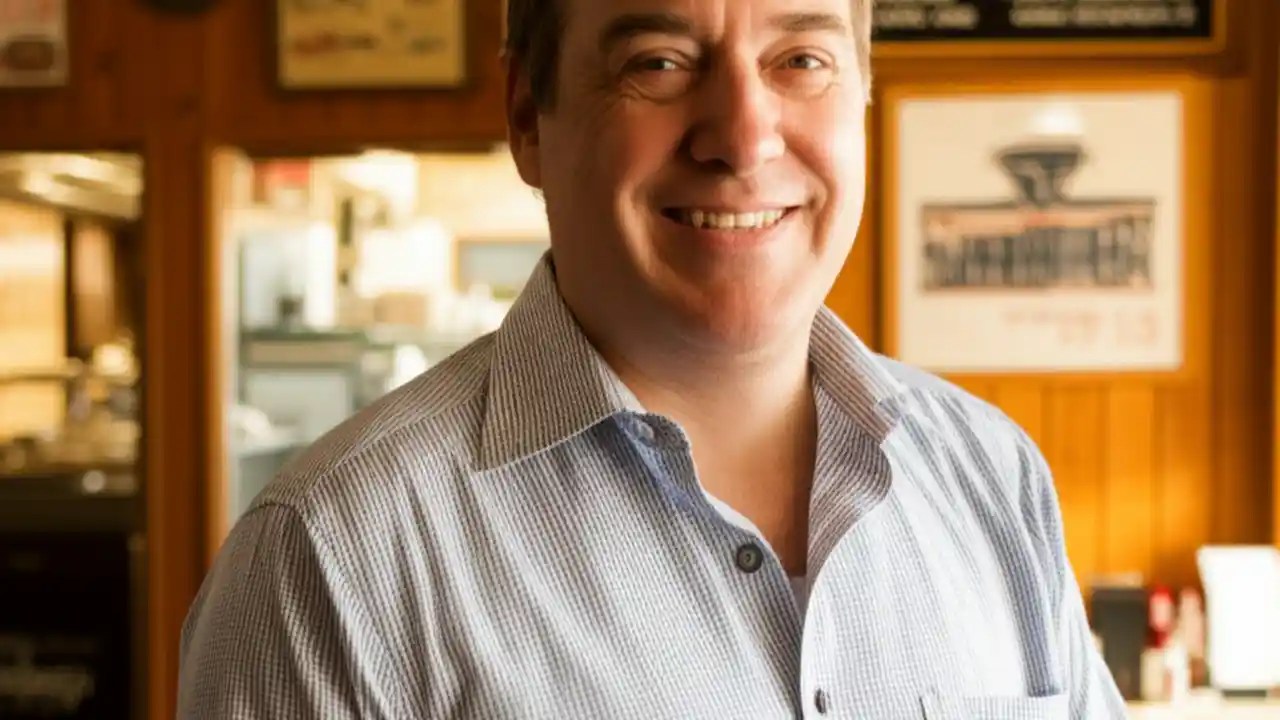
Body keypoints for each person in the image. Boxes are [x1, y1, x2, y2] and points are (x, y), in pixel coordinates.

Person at [177, 0, 1127, 717]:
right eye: (660, 63)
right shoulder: (328, 563)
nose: (744, 138)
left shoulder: (993, 474)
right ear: (527, 116)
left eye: (801, 59)